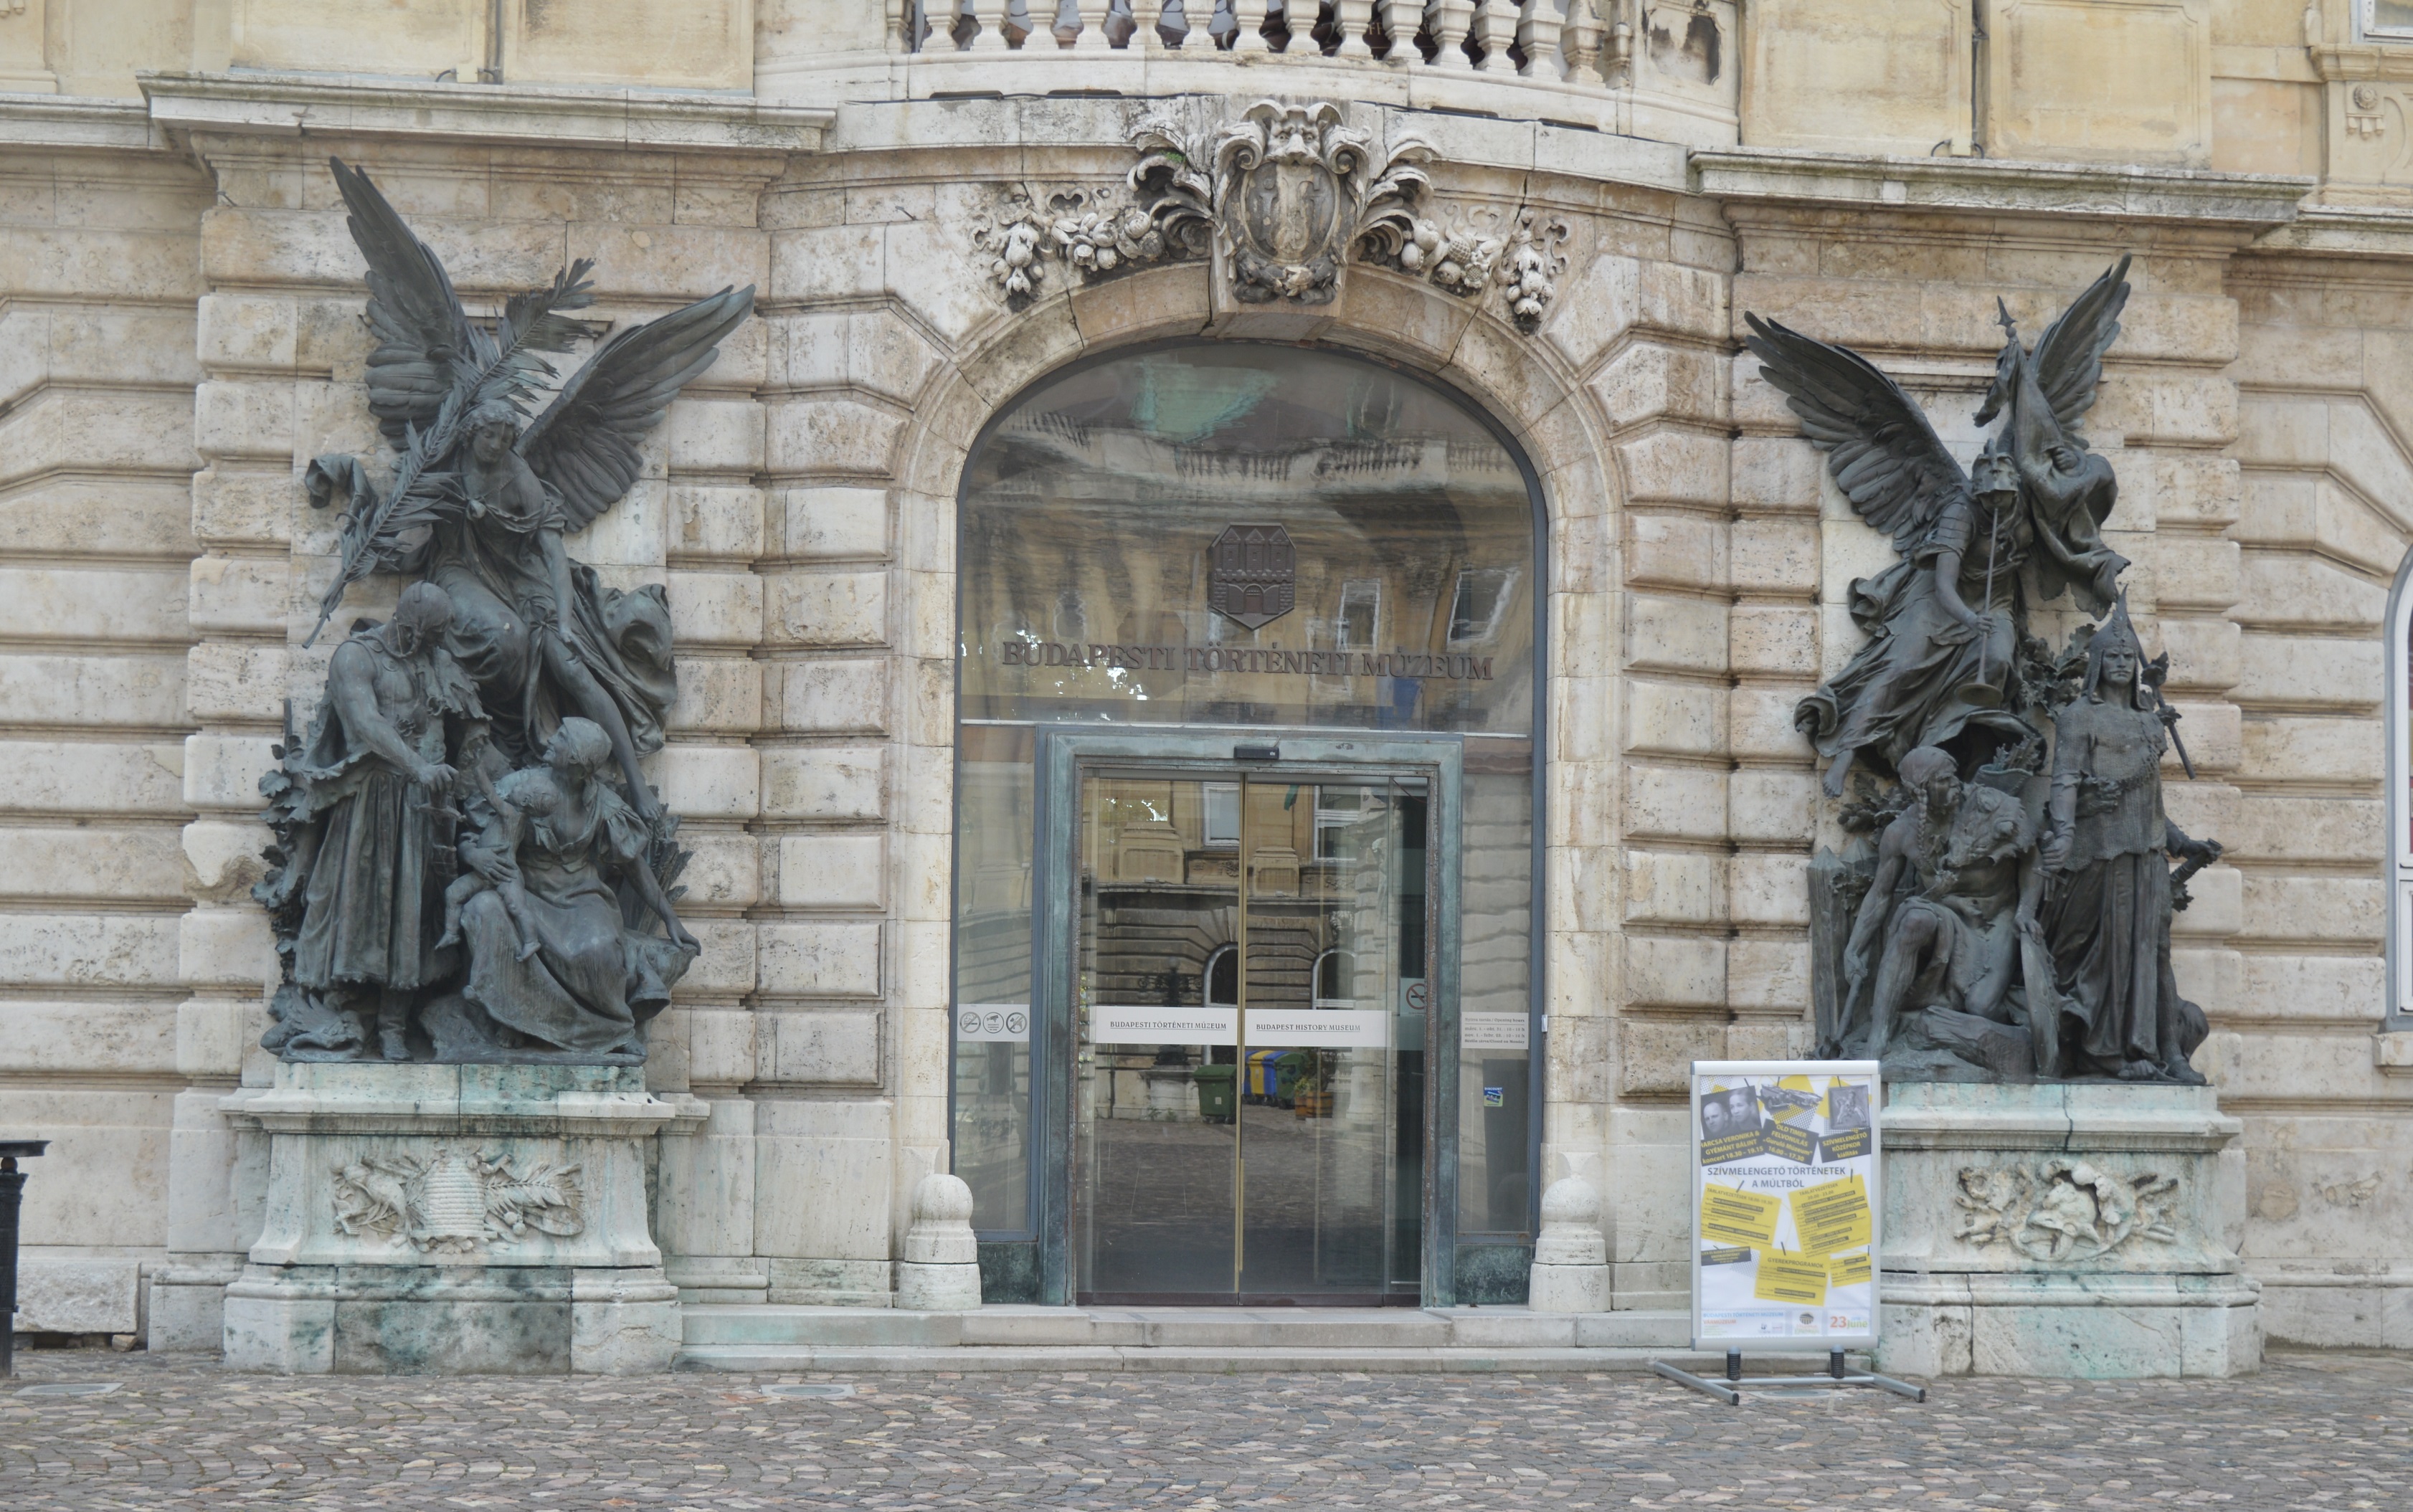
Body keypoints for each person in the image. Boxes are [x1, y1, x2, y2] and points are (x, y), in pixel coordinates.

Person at [415, 403, 677, 819]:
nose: (497, 445)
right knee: (506, 637)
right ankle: (499, 736)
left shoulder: (517, 476)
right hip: (460, 570)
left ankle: (636, 783)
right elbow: (399, 521)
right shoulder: (440, 463)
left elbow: (554, 554)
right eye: (490, 436)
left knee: (572, 667)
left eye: (505, 439)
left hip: (524, 577)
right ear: (470, 434)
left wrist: (565, 619)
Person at [265, 583, 483, 1060]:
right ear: (412, 624)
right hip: (366, 801)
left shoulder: (429, 660)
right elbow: (366, 722)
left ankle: (393, 1025)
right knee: (357, 908)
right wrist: (418, 766)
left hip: (423, 808)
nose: (439, 641)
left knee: (414, 914)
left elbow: (456, 724)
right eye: (435, 632)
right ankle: (342, 1014)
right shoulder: (356, 657)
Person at [2040, 601, 2219, 1082]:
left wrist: (2183, 842)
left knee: (2155, 952)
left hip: (2147, 855)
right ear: (2097, 663)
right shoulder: (2078, 716)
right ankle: (2110, 1052)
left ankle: (2169, 1052)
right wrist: (2062, 831)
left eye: (2126, 657)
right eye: (2112, 656)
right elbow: (2064, 781)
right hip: (2102, 853)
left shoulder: (2148, 723)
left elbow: (2150, 798)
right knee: (2114, 953)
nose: (2121, 663)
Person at [1795, 447, 2038, 797]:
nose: (1996, 504)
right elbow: (1943, 584)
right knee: (1899, 669)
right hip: (1941, 601)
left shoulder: (2026, 510)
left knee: (1998, 660)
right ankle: (1845, 756)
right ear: (1979, 493)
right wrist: (1970, 619)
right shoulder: (1960, 513)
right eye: (1989, 497)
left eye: (2003, 496)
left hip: (1995, 601)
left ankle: (1945, 749)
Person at [454, 718, 699, 1056]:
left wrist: (670, 917)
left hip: (581, 898)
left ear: (577, 763)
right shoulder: (522, 784)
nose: (551, 740)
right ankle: (513, 1018)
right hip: (524, 889)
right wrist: (474, 856)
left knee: (597, 948)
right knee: (484, 909)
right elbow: (471, 832)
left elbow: (633, 864)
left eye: (562, 738)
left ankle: (614, 1029)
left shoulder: (603, 804)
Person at [1841, 746, 2042, 1062]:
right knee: (1914, 920)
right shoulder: (1902, 832)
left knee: (1982, 1006)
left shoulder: (1993, 808)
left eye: (1953, 778)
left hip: (1994, 915)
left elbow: (2032, 862)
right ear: (1920, 792)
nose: (1956, 786)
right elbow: (1880, 895)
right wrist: (1854, 949)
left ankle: (2017, 1026)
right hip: (1944, 909)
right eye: (1944, 782)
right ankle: (1878, 1037)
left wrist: (2025, 911)